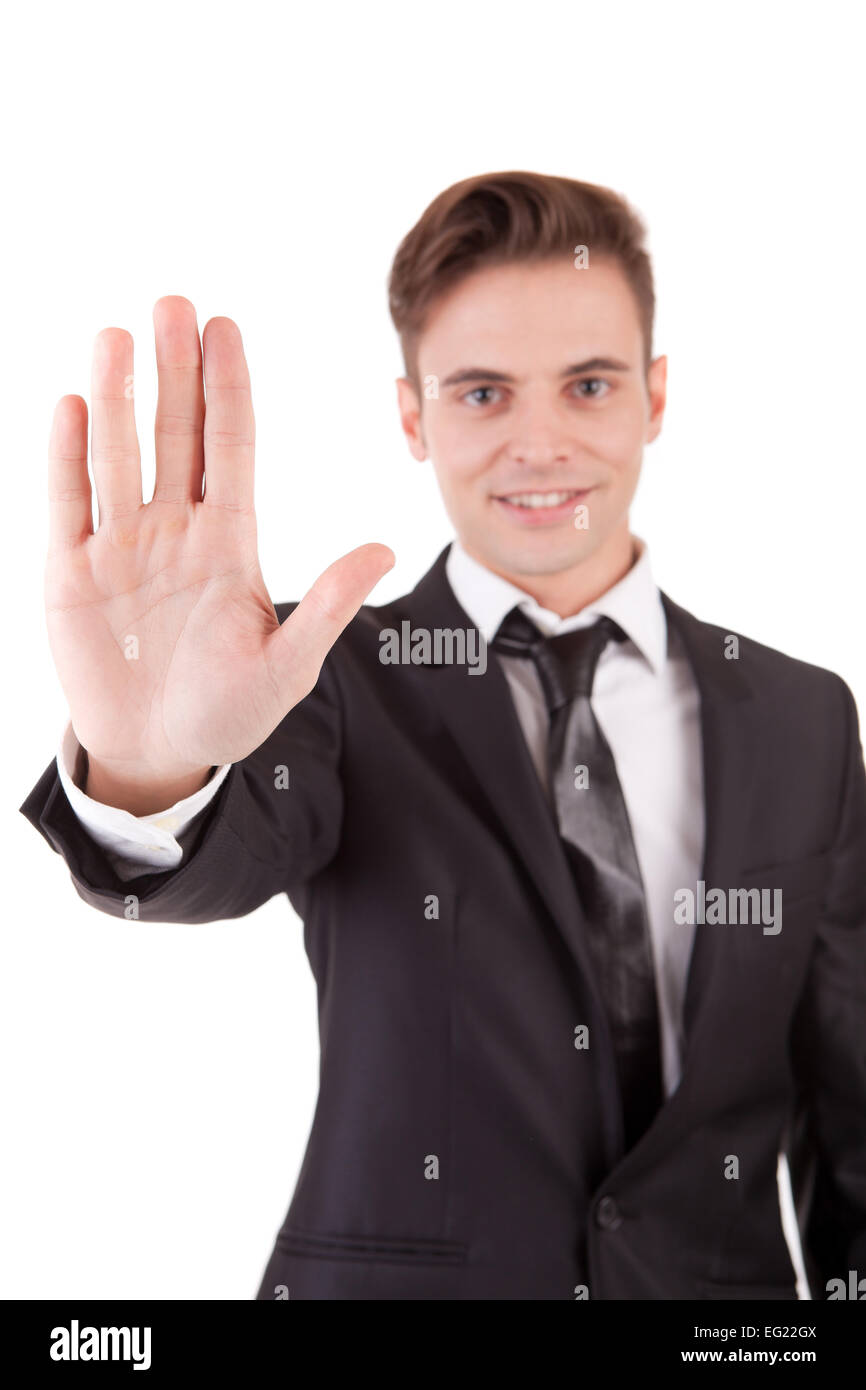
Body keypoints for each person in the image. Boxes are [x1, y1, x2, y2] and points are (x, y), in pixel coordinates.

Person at [21, 172, 866, 1301]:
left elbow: (849, 1110)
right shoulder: (322, 677)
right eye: (480, 393)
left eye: (587, 384)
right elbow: (205, 862)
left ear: (653, 398)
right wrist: (146, 763)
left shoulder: (805, 716)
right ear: (411, 417)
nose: (539, 442)